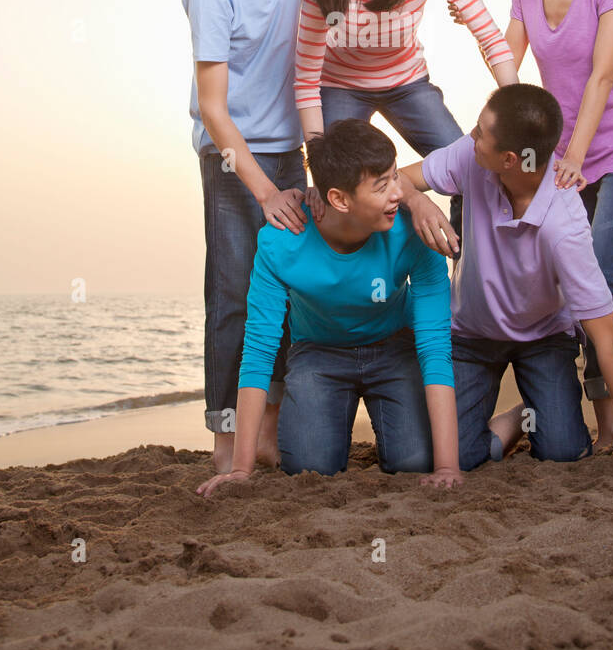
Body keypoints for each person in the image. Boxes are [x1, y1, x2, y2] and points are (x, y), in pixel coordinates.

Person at [449, 0, 613, 455]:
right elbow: (506, 61)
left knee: (605, 274)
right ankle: (573, 407)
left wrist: (573, 156)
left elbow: (600, 76)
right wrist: (493, 129)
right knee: (575, 279)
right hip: (559, 153)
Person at [397, 85, 613, 484]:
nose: (472, 136)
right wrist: (418, 201)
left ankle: (528, 412)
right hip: (471, 334)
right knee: (452, 454)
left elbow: (608, 340)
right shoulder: (470, 155)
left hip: (543, 338)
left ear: (510, 159)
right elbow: (397, 179)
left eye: (482, 133)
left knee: (562, 453)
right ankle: (517, 417)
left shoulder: (564, 226)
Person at [196, 120, 462, 495]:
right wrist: (241, 468)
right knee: (309, 467)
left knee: (413, 463)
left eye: (395, 178)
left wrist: (448, 465)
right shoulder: (282, 241)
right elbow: (258, 352)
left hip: (392, 348)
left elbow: (435, 346)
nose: (397, 194)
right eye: (382, 185)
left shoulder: (416, 230)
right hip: (318, 355)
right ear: (339, 199)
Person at [293, 0, 518, 243]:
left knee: (473, 166)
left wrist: (516, 111)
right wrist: (318, 159)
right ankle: (362, 285)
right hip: (340, 85)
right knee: (343, 191)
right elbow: (306, 77)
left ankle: (468, 273)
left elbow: (489, 35)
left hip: (407, 82)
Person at [182, 0, 313, 478]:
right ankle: (228, 442)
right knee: (234, 295)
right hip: (234, 159)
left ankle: (270, 431)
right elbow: (213, 110)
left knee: (290, 293)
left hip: (291, 147)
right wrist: (264, 191)